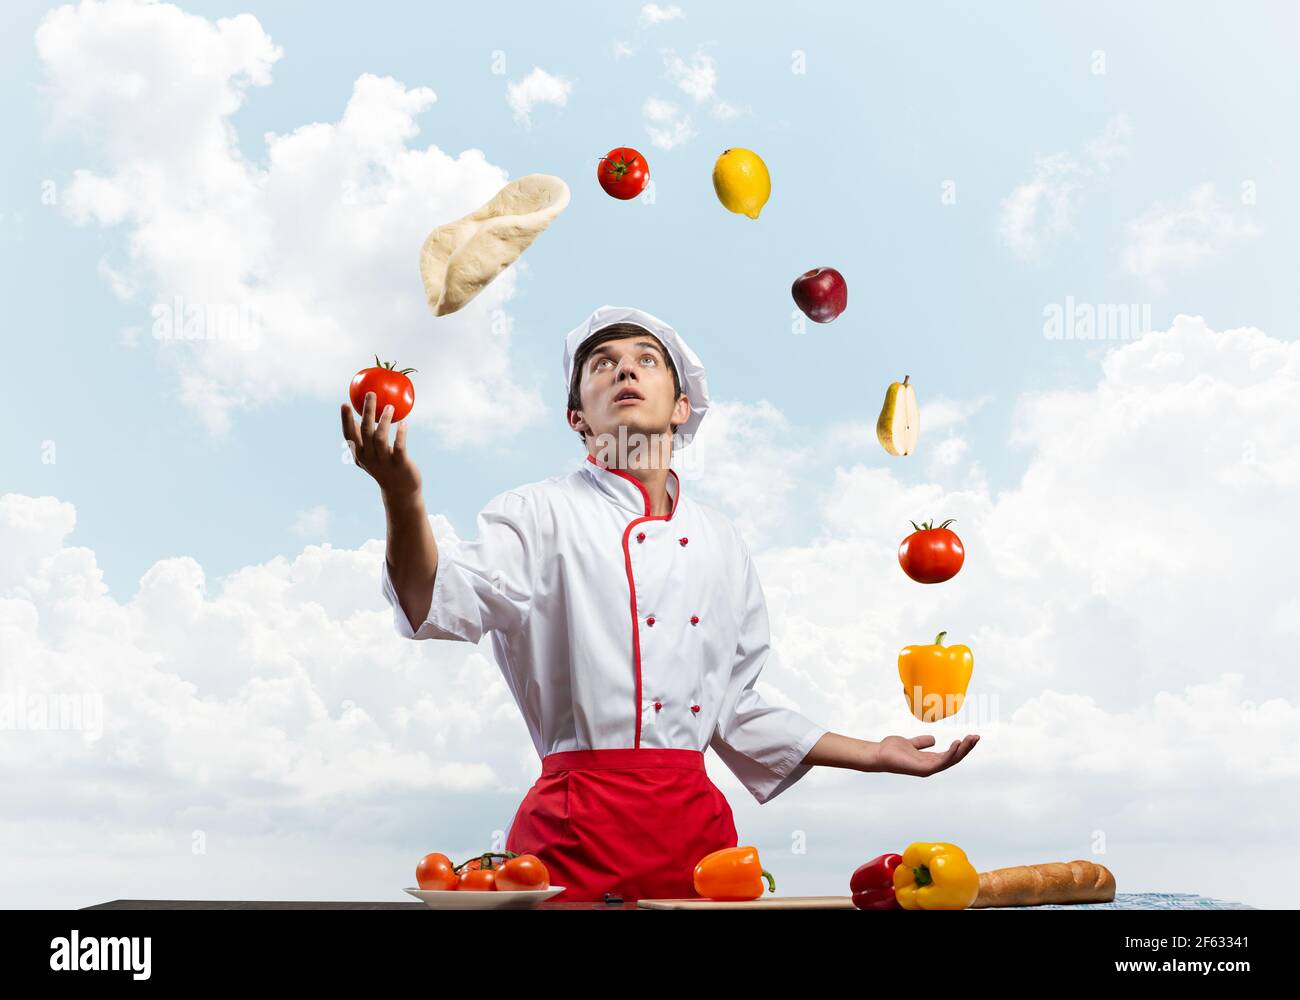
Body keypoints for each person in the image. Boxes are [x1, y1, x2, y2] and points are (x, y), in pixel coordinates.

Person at [341, 304, 979, 902]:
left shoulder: (723, 541)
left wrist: (873, 753)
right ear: (578, 420)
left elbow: (733, 706)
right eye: (602, 364)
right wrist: (402, 495)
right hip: (567, 837)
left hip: (698, 841)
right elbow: (432, 604)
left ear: (680, 407)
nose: (624, 368)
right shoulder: (534, 513)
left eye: (646, 360)